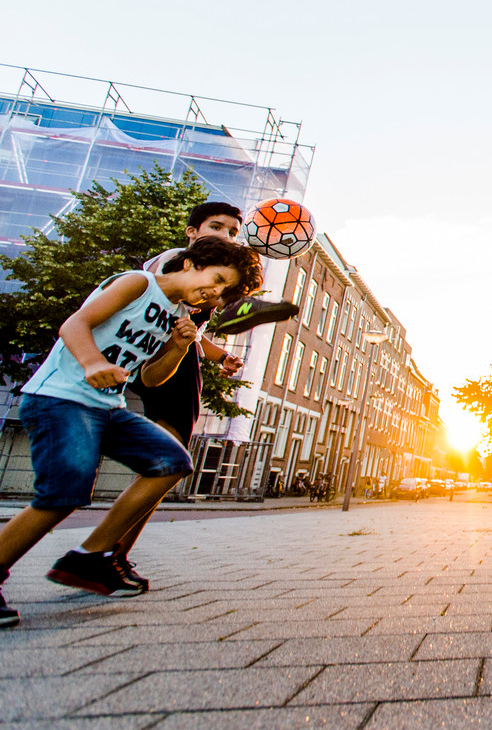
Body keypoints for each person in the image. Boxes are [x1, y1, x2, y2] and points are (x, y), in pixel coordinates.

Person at [0, 236, 263, 628]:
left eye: (224, 292)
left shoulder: (177, 315)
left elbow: (150, 378)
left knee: (171, 460)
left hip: (107, 408)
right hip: (61, 398)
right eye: (218, 278)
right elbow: (75, 324)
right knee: (63, 493)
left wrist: (176, 346)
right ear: (192, 262)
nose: (215, 292)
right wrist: (92, 363)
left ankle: (90, 556)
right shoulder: (138, 284)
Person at [109, 202, 295, 590]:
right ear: (191, 231)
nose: (224, 235)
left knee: (167, 459)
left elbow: (190, 331)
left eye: (232, 232)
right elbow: (166, 311)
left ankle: (115, 552)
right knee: (168, 460)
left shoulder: (203, 277)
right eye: (215, 227)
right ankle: (110, 553)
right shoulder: (178, 261)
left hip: (171, 353)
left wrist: (218, 353)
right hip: (163, 359)